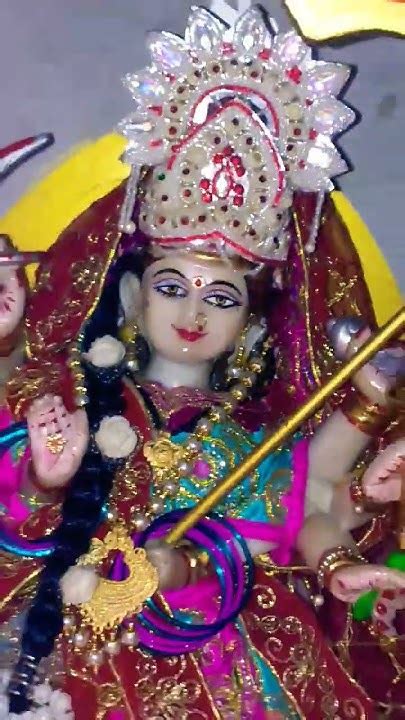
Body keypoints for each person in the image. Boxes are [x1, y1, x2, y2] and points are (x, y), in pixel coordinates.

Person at [0, 5, 404, 718]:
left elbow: (305, 511)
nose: (194, 313)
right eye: (171, 287)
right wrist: (45, 479)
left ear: (251, 326)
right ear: (132, 299)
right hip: (73, 648)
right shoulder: (84, 400)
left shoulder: (254, 437)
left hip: (229, 653)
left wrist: (338, 561)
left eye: (221, 297)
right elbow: (20, 512)